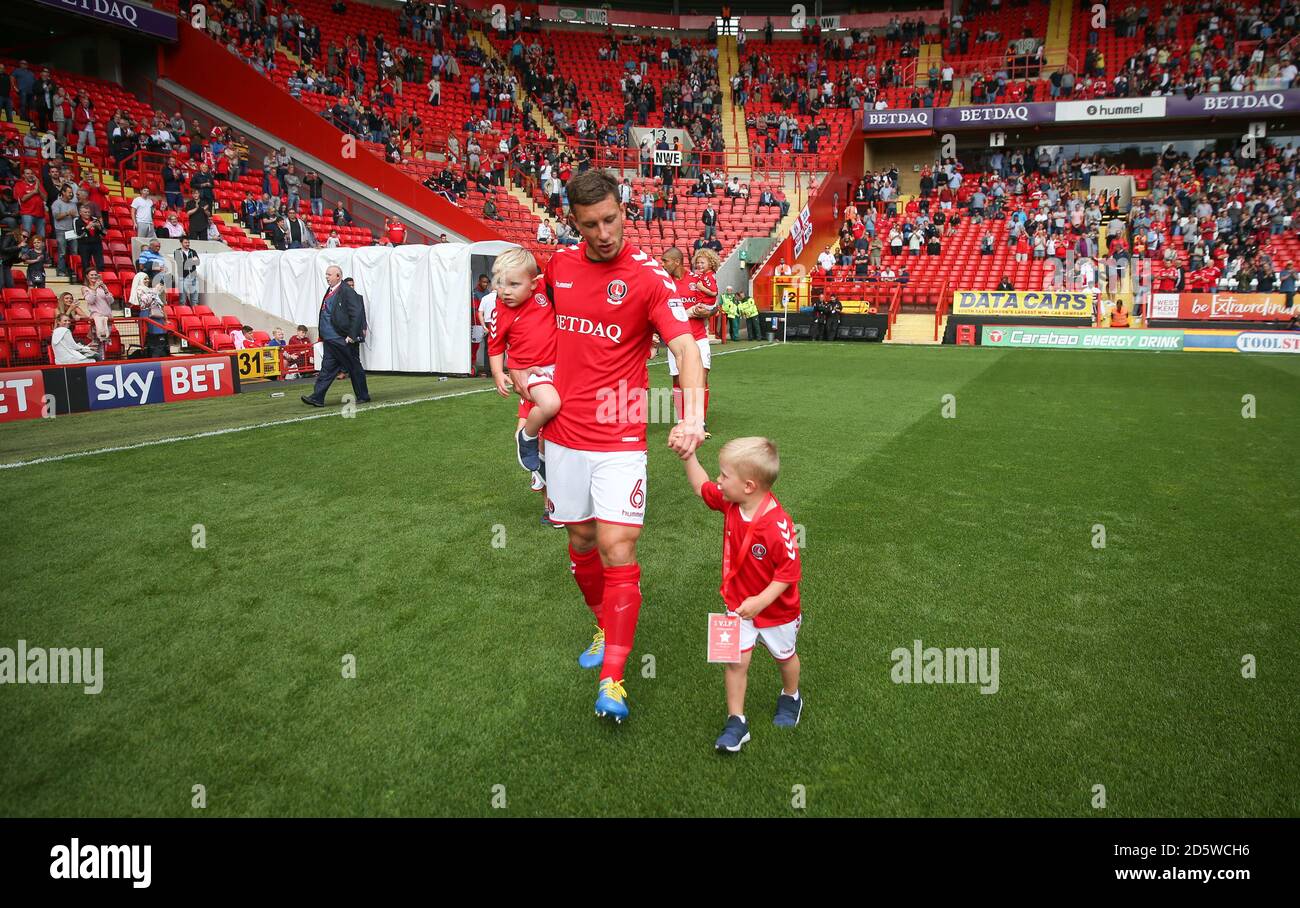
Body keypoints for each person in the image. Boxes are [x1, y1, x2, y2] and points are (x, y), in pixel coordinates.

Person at [507, 169, 704, 724]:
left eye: (612, 219)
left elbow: (686, 349)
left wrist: (691, 418)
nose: (603, 233)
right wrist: (517, 371)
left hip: (620, 435)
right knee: (581, 539)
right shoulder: (559, 268)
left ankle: (613, 677)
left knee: (618, 545)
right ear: (573, 221)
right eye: (591, 223)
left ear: (625, 212)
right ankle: (603, 618)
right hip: (564, 436)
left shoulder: (647, 278)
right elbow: (527, 319)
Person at [677, 436, 803, 752]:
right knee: (735, 662)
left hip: (777, 611)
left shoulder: (777, 525)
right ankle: (737, 720)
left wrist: (760, 601)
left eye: (724, 475)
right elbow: (700, 486)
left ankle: (791, 695)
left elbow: (788, 574)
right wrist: (688, 456)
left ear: (748, 486)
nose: (718, 481)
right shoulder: (730, 501)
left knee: (784, 657)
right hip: (737, 605)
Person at [487, 248, 562, 474]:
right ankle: (526, 437)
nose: (505, 291)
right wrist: (498, 373)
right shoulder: (499, 310)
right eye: (500, 283)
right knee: (550, 405)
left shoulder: (542, 288)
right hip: (531, 372)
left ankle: (545, 461)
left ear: (532, 283)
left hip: (558, 368)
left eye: (513, 285)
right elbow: (495, 345)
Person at [661, 247, 719, 438]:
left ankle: (699, 422)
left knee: (701, 378)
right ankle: (682, 421)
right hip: (675, 339)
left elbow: (714, 304)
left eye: (665, 261)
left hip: (698, 337)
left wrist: (708, 312)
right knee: (678, 379)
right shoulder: (664, 283)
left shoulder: (697, 279)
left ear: (676, 262)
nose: (663, 264)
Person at [301, 265, 370, 406]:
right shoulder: (331, 290)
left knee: (353, 367)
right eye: (326, 274)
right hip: (330, 340)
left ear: (338, 276)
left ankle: (363, 395)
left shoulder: (347, 291)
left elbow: (356, 313)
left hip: (341, 338)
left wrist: (351, 335)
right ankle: (317, 397)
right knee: (327, 369)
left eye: (329, 274)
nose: (326, 276)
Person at [175, 237, 200, 306]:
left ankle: (195, 314)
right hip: (183, 277)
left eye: (188, 242)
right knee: (182, 299)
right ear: (181, 243)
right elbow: (180, 264)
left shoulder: (193, 251)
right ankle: (182, 314)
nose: (187, 244)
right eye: (185, 242)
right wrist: (192, 260)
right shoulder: (177, 252)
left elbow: (197, 262)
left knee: (195, 299)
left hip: (193, 276)